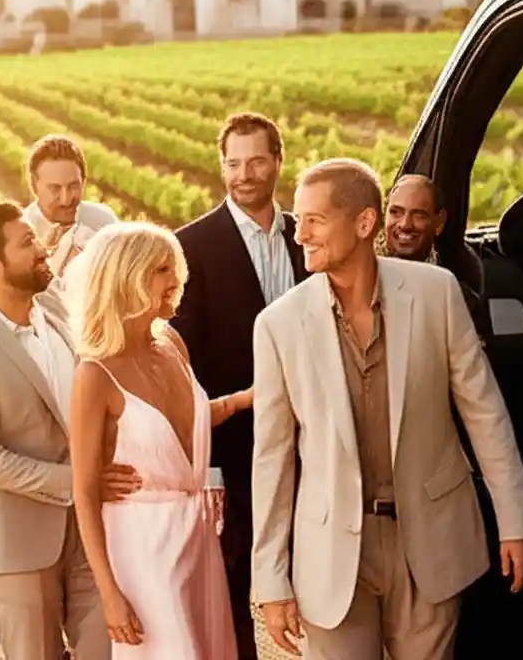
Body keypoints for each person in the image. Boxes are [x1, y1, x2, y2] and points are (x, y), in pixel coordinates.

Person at [251, 158, 523, 659]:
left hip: (430, 542)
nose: (301, 237)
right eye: (299, 223)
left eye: (314, 221)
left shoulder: (436, 294)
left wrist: (516, 523)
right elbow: (271, 457)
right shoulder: (278, 324)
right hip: (333, 553)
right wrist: (270, 577)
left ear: (364, 223)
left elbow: (485, 413)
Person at [0, 201, 139, 660]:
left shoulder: (55, 307)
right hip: (14, 541)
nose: (42, 248)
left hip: (89, 530)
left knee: (108, 650)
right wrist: (81, 483)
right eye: (27, 243)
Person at [64, 221, 253, 658]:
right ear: (127, 276)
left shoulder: (170, 342)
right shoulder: (94, 374)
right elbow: (85, 491)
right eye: (162, 269)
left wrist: (245, 400)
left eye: (176, 268)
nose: (177, 280)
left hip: (198, 536)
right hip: (143, 548)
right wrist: (110, 594)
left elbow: (180, 426)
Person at [380, 174, 523, 660]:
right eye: (396, 212)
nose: (404, 225)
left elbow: (484, 416)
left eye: (417, 215)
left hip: (436, 496)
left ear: (440, 223)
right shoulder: (348, 290)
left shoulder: (460, 299)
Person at [171, 111, 308, 658]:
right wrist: (205, 462)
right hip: (234, 442)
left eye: (256, 161)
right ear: (221, 166)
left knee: (318, 565)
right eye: (233, 163)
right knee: (229, 579)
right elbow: (184, 363)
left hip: (313, 434)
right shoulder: (191, 246)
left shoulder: (308, 234)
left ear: (277, 161)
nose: (245, 174)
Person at [22, 134, 120, 278]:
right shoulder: (23, 234)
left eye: (73, 186)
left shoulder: (103, 222)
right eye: (55, 188)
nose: (66, 200)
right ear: (34, 186)